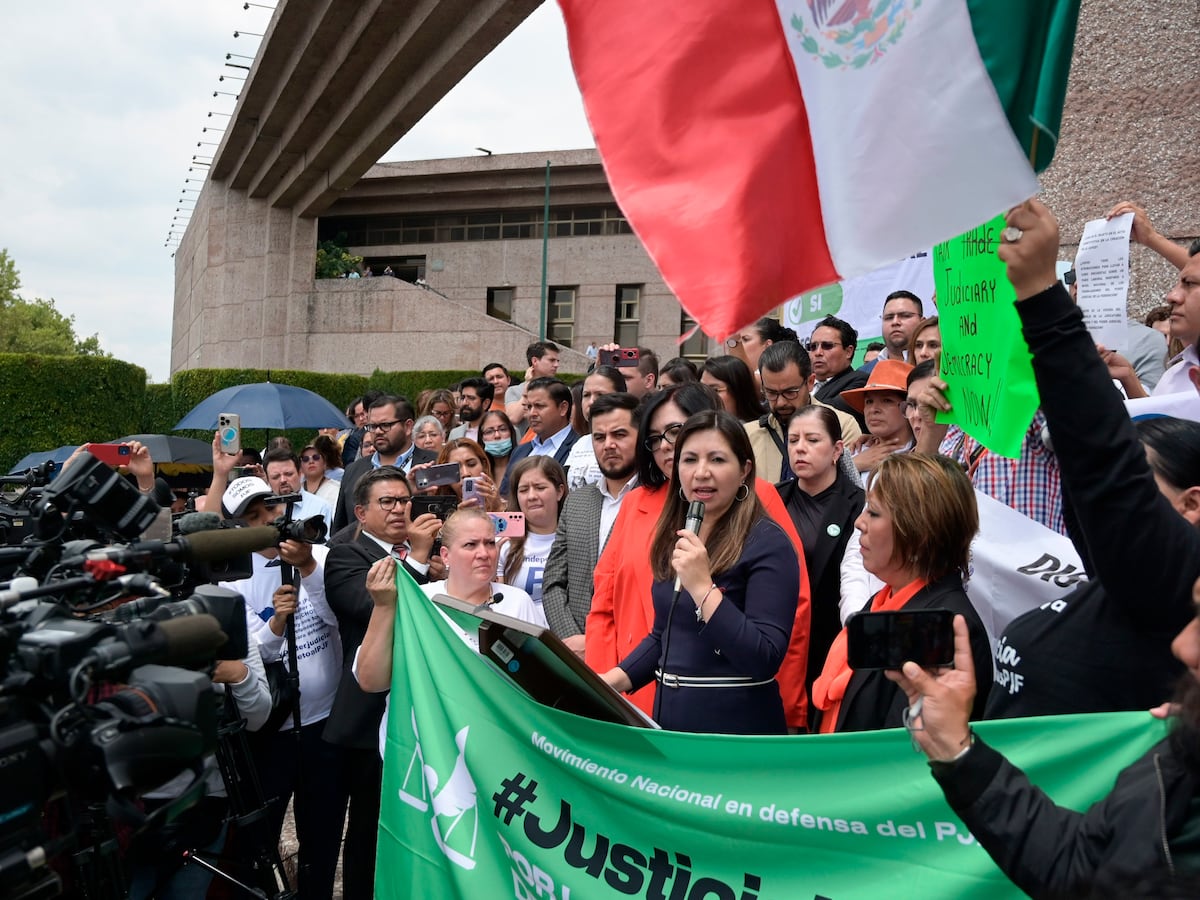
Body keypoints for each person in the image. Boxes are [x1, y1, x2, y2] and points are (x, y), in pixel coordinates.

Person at [923, 198, 1200, 719]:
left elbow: (1097, 456)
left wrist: (1041, 299)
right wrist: (959, 753)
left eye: (1142, 480)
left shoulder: (1162, 584)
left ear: (1192, 504)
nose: (1171, 294)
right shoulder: (1116, 579)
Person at [586, 383, 813, 729]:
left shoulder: (767, 540)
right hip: (671, 727)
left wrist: (704, 589)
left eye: (717, 459)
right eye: (689, 460)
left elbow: (764, 656)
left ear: (745, 470)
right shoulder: (678, 531)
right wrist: (609, 682)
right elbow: (663, 636)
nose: (701, 472)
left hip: (734, 730)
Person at [217, 476, 345, 897]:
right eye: (253, 517)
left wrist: (308, 567)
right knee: (261, 840)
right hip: (272, 730)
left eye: (270, 510)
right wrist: (276, 623)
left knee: (323, 835)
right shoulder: (232, 575)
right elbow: (249, 651)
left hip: (326, 723)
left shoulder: (319, 553)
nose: (267, 521)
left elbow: (337, 618)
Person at [322, 467, 440, 900]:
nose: (398, 509)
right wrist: (420, 561)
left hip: (424, 707)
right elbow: (369, 608)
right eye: (386, 502)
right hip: (371, 710)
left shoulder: (422, 546)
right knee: (370, 826)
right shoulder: (344, 553)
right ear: (361, 512)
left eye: (404, 500)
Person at [811, 453, 991, 733]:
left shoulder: (943, 628)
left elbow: (904, 751)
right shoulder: (884, 601)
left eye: (874, 512)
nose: (859, 523)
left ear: (918, 533)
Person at [355, 509, 545, 719]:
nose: (484, 553)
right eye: (470, 545)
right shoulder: (419, 600)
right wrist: (383, 606)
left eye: (490, 543)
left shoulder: (517, 601)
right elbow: (371, 680)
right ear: (446, 555)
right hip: (434, 734)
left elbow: (540, 682)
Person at [776, 405, 864, 729]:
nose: (800, 448)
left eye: (813, 440)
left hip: (829, 639)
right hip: (782, 641)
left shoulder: (859, 504)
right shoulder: (774, 499)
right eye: (794, 440)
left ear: (837, 449)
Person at [542, 392, 641, 655]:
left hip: (632, 655)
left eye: (619, 435)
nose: (608, 444)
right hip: (575, 653)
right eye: (599, 437)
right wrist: (572, 638)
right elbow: (553, 581)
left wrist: (597, 642)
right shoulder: (577, 502)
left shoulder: (658, 502)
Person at [745, 340, 861, 484]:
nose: (780, 402)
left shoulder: (843, 426)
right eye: (771, 393)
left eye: (790, 392)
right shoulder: (749, 435)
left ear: (810, 382)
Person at [334, 394, 438, 534]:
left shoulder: (435, 464)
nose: (377, 431)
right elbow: (341, 530)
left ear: (408, 427)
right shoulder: (353, 470)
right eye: (372, 426)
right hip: (364, 554)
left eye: (385, 425)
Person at [499, 456, 566, 616]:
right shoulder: (503, 544)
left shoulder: (577, 539)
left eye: (540, 487)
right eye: (523, 490)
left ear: (559, 491)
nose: (531, 496)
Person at [500, 377, 579, 495]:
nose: (532, 413)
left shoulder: (580, 448)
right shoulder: (520, 451)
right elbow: (505, 495)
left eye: (539, 406)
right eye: (529, 407)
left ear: (563, 408)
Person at [840, 359, 915, 481]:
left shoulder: (929, 451)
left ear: (909, 407)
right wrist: (853, 465)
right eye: (869, 402)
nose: (873, 409)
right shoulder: (854, 453)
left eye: (887, 401)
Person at [563, 365, 627, 489]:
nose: (592, 401)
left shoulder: (632, 440)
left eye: (600, 394)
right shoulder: (580, 443)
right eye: (586, 395)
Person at [808, 314, 869, 430]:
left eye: (827, 346)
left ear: (848, 352)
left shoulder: (861, 381)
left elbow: (823, 413)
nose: (818, 352)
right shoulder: (804, 383)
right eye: (813, 347)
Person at [418, 437, 503, 512]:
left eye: (471, 464)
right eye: (456, 469)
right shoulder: (437, 511)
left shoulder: (503, 506)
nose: (465, 474)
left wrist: (498, 509)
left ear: (483, 465)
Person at [860, 290, 923, 372]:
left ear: (922, 322)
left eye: (905, 316)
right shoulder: (863, 373)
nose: (895, 322)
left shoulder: (939, 366)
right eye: (889, 317)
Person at [505, 340, 561, 428]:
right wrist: (528, 384)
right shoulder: (514, 391)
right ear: (535, 361)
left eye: (558, 361)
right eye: (552, 360)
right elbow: (514, 418)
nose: (556, 365)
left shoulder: (562, 390)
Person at [700, 355, 764, 422]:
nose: (704, 395)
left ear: (738, 391)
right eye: (701, 389)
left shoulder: (759, 429)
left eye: (715, 390)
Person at [730, 317, 797, 374]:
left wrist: (733, 342)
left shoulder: (776, 373)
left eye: (746, 339)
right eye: (739, 340)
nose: (740, 345)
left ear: (767, 345)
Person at [479, 409, 517, 493]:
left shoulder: (523, 465)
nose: (497, 435)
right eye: (489, 431)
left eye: (503, 429)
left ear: (511, 433)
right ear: (482, 438)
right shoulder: (478, 470)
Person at [448, 376, 493, 442]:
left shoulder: (498, 431)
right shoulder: (455, 433)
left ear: (485, 403)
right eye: (463, 398)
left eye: (471, 398)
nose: (464, 403)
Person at [299, 441, 341, 509]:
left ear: (324, 463)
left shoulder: (336, 488)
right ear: (301, 467)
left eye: (316, 457)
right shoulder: (296, 491)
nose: (311, 461)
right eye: (305, 459)